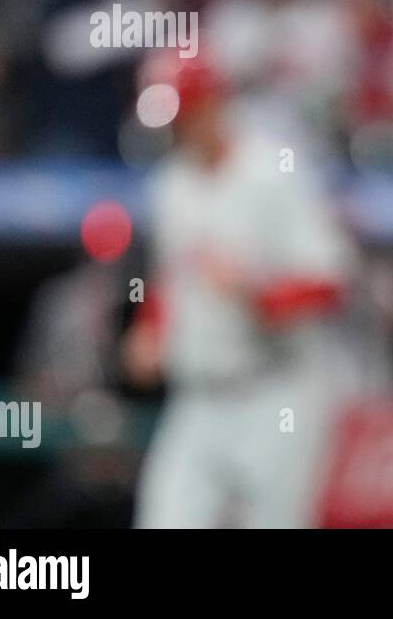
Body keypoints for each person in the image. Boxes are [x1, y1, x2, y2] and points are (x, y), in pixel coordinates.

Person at [124, 53, 352, 528]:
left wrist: (258, 293)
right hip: (197, 395)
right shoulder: (170, 185)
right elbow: (170, 281)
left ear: (212, 105)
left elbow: (332, 282)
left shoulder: (274, 172)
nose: (177, 128)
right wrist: (150, 329)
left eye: (184, 113)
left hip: (277, 391)